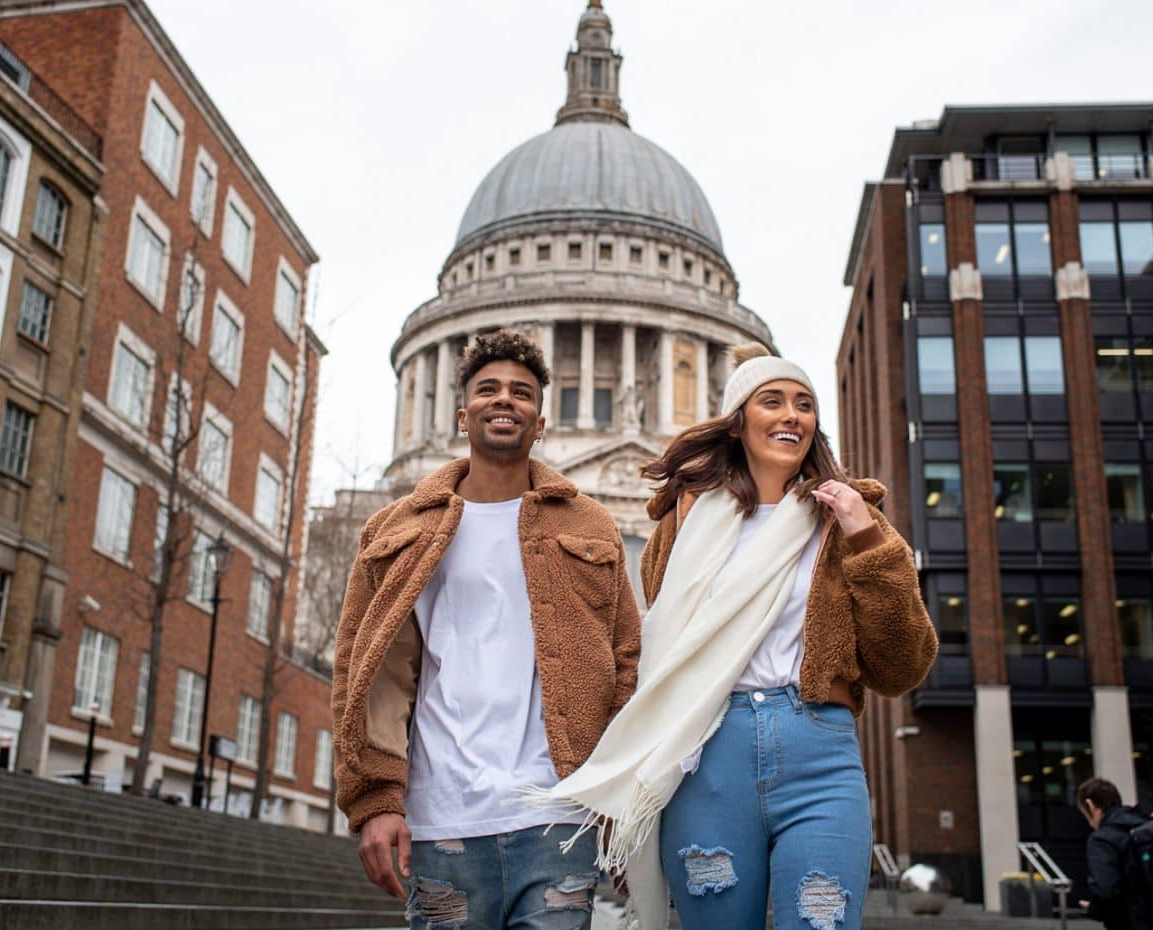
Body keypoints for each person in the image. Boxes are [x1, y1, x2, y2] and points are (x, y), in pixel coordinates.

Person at [527, 344, 938, 930]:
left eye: (804, 404)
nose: (791, 415)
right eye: (771, 401)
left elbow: (903, 666)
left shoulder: (849, 519)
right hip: (709, 755)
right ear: (738, 420)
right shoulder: (685, 520)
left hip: (819, 753)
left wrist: (870, 543)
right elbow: (660, 652)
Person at [331, 329, 641, 930]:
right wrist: (374, 799)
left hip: (558, 814)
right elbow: (363, 670)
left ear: (542, 419)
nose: (505, 401)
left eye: (521, 392)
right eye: (489, 389)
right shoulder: (395, 531)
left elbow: (625, 659)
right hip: (441, 816)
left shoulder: (591, 523)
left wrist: (623, 800)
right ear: (461, 412)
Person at [1077, 777, 1153, 930]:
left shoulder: (1102, 839)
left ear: (1090, 805)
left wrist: (1094, 908)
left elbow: (1107, 890)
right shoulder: (1149, 826)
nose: (1088, 822)